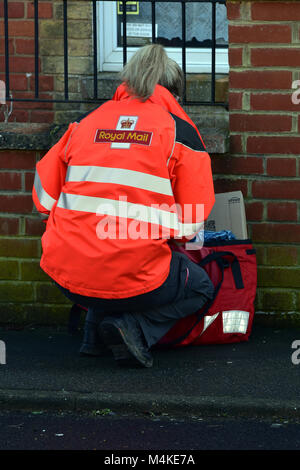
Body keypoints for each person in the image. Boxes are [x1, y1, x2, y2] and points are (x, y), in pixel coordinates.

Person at [32, 44, 215, 368]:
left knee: (106, 257)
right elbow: (191, 223)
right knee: (199, 286)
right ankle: (133, 330)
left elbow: (43, 198)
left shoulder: (85, 123)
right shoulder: (181, 132)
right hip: (136, 279)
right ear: (172, 92)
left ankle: (92, 336)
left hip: (67, 275)